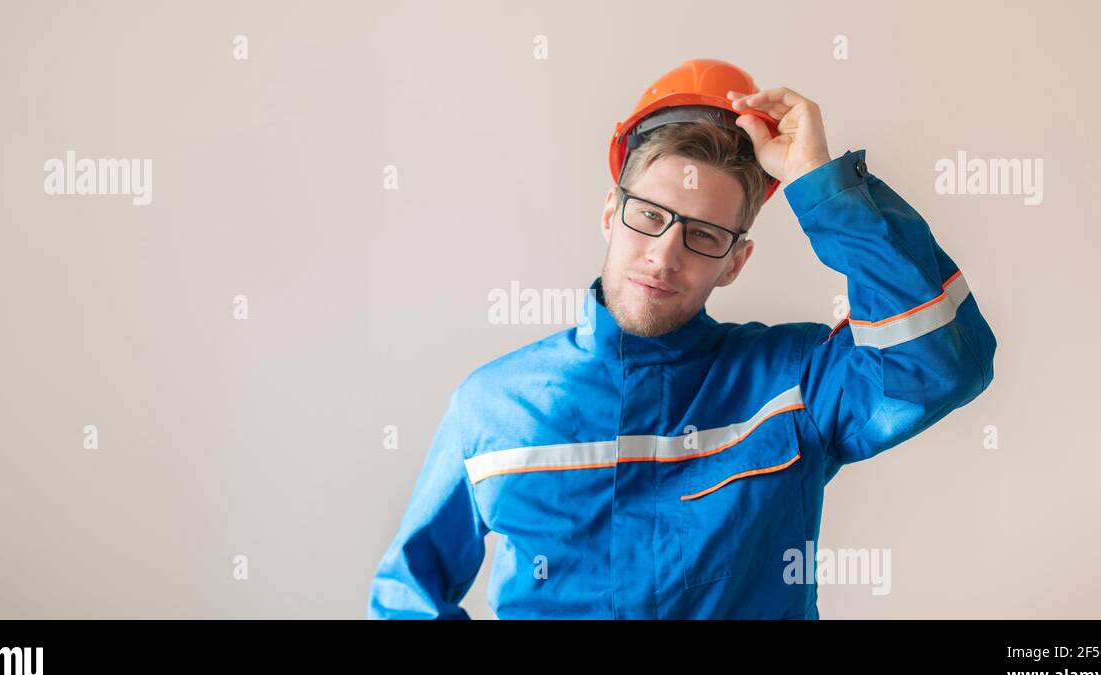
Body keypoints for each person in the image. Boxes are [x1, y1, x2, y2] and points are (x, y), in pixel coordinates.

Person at [368, 59, 997, 619]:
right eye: (649, 216)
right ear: (611, 214)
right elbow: (406, 593)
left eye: (703, 235)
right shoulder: (494, 405)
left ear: (735, 261)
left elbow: (937, 362)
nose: (665, 257)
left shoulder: (795, 382)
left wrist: (819, 182)